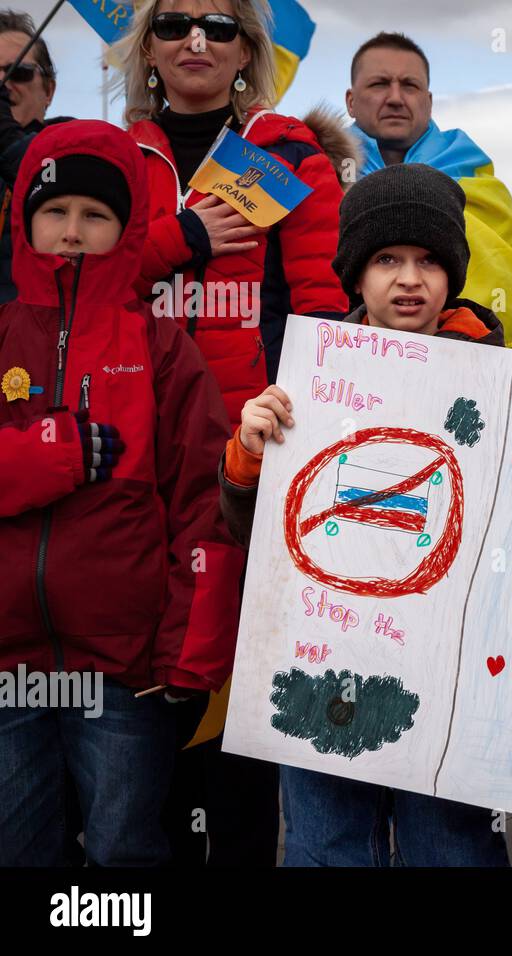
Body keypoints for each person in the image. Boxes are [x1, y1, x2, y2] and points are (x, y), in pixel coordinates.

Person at [114, 0, 353, 867]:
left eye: (220, 24)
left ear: (249, 49)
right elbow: (67, 280)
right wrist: (173, 239)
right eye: (176, 22)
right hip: (129, 459)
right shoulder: (110, 154)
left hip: (251, 461)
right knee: (145, 693)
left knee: (244, 694)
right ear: (148, 48)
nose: (197, 40)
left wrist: (291, 440)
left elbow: (323, 308)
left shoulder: (286, 149)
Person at [219, 163, 509, 866]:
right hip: (325, 663)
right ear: (354, 273)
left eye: (429, 260)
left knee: (451, 849)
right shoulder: (307, 380)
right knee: (328, 846)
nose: (409, 279)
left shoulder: (503, 379)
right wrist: (248, 457)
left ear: (454, 275)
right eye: (387, 259)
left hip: (450, 678)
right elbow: (254, 534)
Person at [0, 119, 241, 866]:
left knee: (123, 847)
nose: (73, 231)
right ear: (23, 219)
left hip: (123, 670)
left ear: (128, 227)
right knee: (16, 844)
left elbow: (203, 503)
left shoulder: (162, 347)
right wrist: (54, 453)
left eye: (96, 215)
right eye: (55, 211)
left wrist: (184, 654)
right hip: (8, 667)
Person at [346, 32, 512, 348]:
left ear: (429, 100)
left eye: (409, 85)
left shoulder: (479, 178)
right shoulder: (314, 173)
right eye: (379, 84)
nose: (396, 97)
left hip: (477, 355)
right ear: (351, 101)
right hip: (342, 367)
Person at [0, 9, 68, 304]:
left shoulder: (73, 144)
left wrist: (6, 136)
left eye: (19, 72)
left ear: (49, 91)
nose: (2, 83)